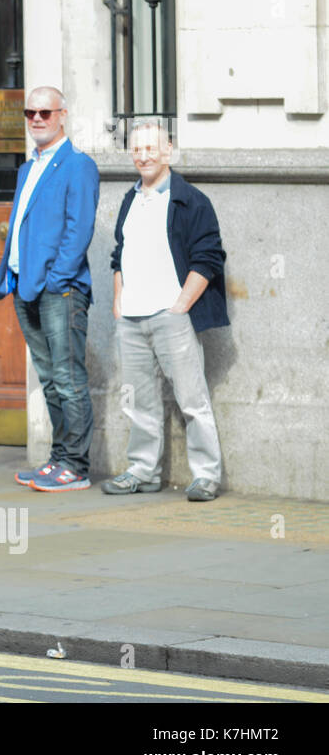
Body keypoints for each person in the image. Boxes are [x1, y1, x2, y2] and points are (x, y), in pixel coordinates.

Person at [105, 120, 228, 501]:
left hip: (171, 316)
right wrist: (119, 301)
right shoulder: (130, 198)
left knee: (193, 400)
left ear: (168, 150)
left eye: (151, 148)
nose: (144, 155)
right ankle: (143, 472)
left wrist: (180, 306)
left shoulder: (191, 200)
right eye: (137, 149)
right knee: (140, 403)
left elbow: (209, 258)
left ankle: (206, 475)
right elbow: (118, 254)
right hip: (132, 318)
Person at [0, 86, 100, 492]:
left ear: (62, 115)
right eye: (30, 112)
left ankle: (76, 466)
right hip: (25, 287)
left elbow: (79, 229)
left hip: (61, 290)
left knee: (69, 378)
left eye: (45, 112)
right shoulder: (26, 167)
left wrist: (57, 277)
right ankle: (59, 459)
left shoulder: (78, 166)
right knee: (50, 379)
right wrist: (11, 277)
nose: (37, 119)